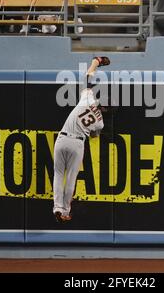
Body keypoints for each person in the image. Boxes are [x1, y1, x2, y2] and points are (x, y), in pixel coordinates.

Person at [53, 56, 111, 222]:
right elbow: (94, 136)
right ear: (106, 109)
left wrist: (96, 62)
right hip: (78, 143)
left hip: (63, 139)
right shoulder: (100, 123)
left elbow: (87, 77)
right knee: (71, 178)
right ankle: (65, 212)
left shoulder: (88, 99)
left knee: (58, 174)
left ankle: (57, 207)